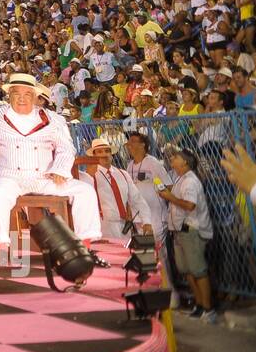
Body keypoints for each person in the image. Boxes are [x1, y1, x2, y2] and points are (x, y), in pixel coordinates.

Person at [0, 73, 104, 260]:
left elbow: (66, 148)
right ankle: (2, 244)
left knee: (85, 191)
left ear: (36, 97)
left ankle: (83, 245)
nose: (22, 99)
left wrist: (60, 169)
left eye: (27, 94)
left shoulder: (54, 119)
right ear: (9, 95)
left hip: (44, 177)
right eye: (17, 94)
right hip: (9, 176)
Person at [155, 149, 216, 320]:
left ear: (185, 162)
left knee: (198, 271)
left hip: (191, 230)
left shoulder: (190, 181)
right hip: (180, 232)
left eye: (176, 157)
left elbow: (190, 206)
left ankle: (208, 308)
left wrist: (169, 197)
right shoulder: (180, 178)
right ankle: (199, 305)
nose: (172, 159)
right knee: (188, 271)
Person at [79, 137, 153, 241]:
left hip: (124, 226)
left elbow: (137, 199)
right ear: (93, 156)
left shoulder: (123, 174)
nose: (104, 154)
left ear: (111, 155)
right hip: (102, 227)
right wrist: (90, 176)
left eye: (107, 151)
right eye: (99, 152)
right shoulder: (88, 176)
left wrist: (147, 221)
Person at [124, 131, 170, 240]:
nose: (129, 145)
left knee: (157, 251)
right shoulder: (129, 166)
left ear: (142, 145)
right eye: (128, 142)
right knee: (144, 251)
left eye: (133, 142)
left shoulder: (152, 163)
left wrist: (157, 187)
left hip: (155, 217)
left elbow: (165, 185)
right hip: (138, 217)